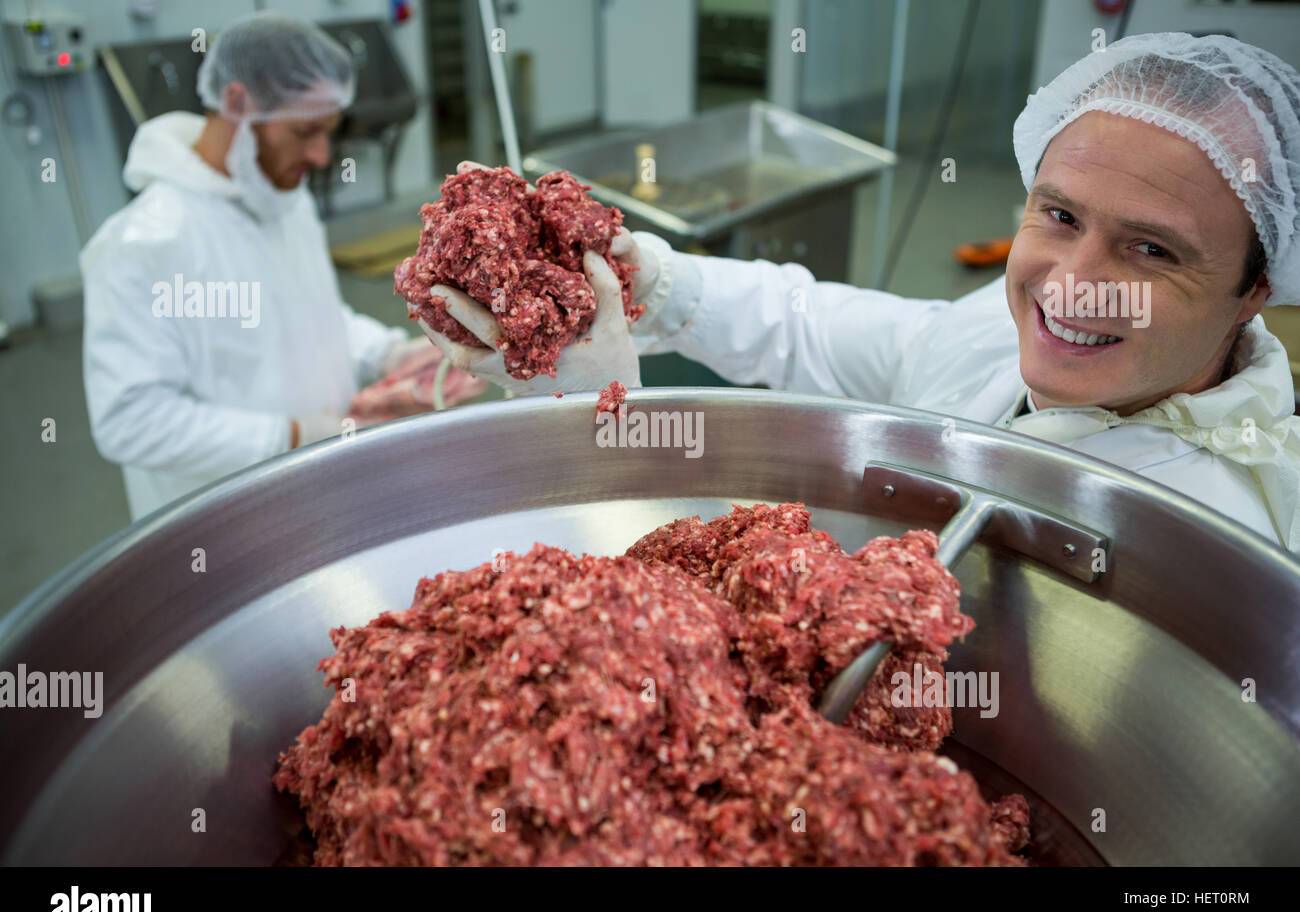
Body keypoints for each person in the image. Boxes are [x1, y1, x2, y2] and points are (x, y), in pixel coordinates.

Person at [431, 32, 1300, 553]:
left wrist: (601, 418)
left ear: (1255, 288)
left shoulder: (1202, 529)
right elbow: (813, 326)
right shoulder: (993, 339)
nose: (1073, 289)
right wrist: (651, 278)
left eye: (1150, 250)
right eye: (1061, 215)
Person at [82, 11, 443, 522]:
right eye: (305, 132)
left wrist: (385, 355)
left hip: (324, 487)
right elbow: (131, 419)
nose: (321, 155)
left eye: (328, 133)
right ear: (237, 104)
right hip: (223, 526)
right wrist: (290, 436)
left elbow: (309, 312)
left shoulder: (282, 199)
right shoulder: (145, 243)